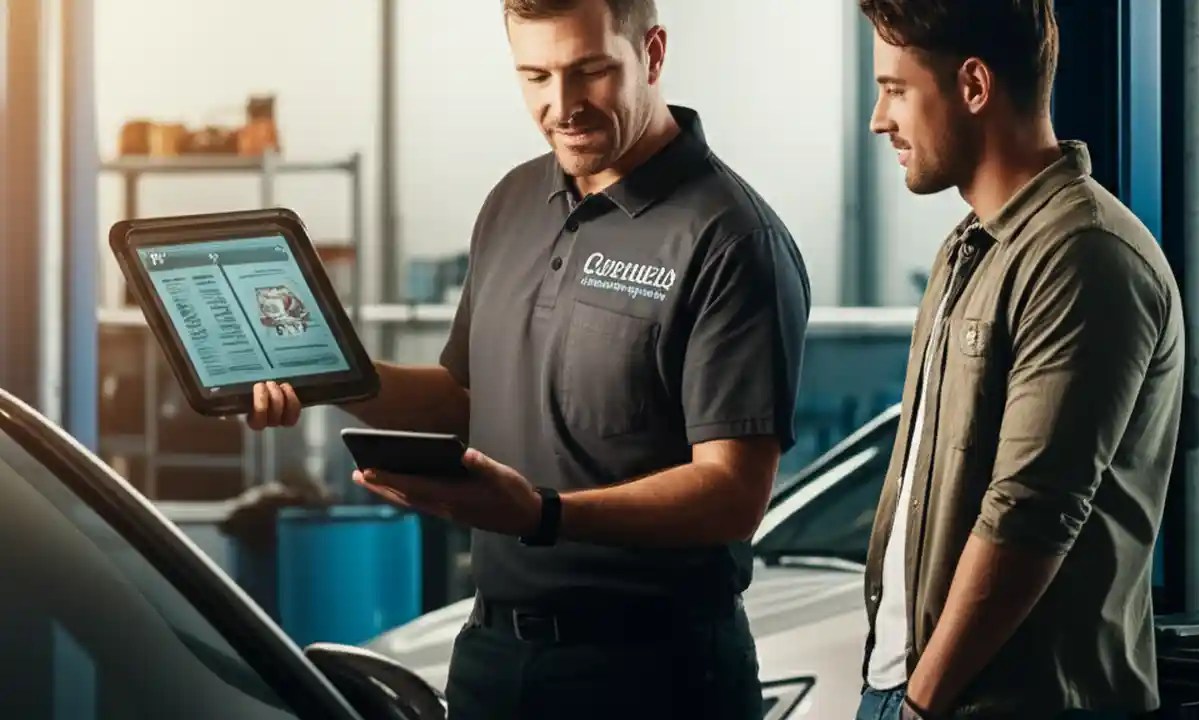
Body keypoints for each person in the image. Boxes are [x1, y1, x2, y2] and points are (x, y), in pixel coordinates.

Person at [246, 0, 811, 718]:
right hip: (492, 655)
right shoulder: (513, 201)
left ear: (653, 53)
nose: (562, 105)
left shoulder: (731, 239)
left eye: (590, 71)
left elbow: (733, 494)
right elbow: (463, 398)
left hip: (654, 673)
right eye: (536, 75)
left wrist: (542, 514)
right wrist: (330, 376)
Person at [853, 1, 1185, 719]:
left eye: (896, 90)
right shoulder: (967, 248)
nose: (879, 120)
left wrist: (919, 703)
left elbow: (1030, 515)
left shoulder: (1084, 254)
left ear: (974, 86)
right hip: (911, 693)